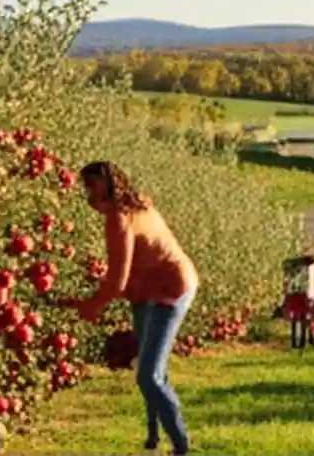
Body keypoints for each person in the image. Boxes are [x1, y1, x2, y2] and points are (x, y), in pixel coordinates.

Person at [75, 162, 198, 456]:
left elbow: (117, 282)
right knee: (152, 370)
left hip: (171, 290)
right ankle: (154, 437)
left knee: (148, 375)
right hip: (146, 290)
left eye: (90, 186)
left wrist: (94, 305)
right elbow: (125, 270)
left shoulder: (120, 218)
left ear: (105, 187)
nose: (87, 194)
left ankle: (181, 446)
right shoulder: (136, 205)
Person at [285, 255, 314, 353]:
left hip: (301, 296)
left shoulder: (297, 271)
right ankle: (308, 341)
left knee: (300, 320)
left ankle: (301, 342)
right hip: (307, 297)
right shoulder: (309, 271)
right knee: (308, 320)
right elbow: (312, 286)